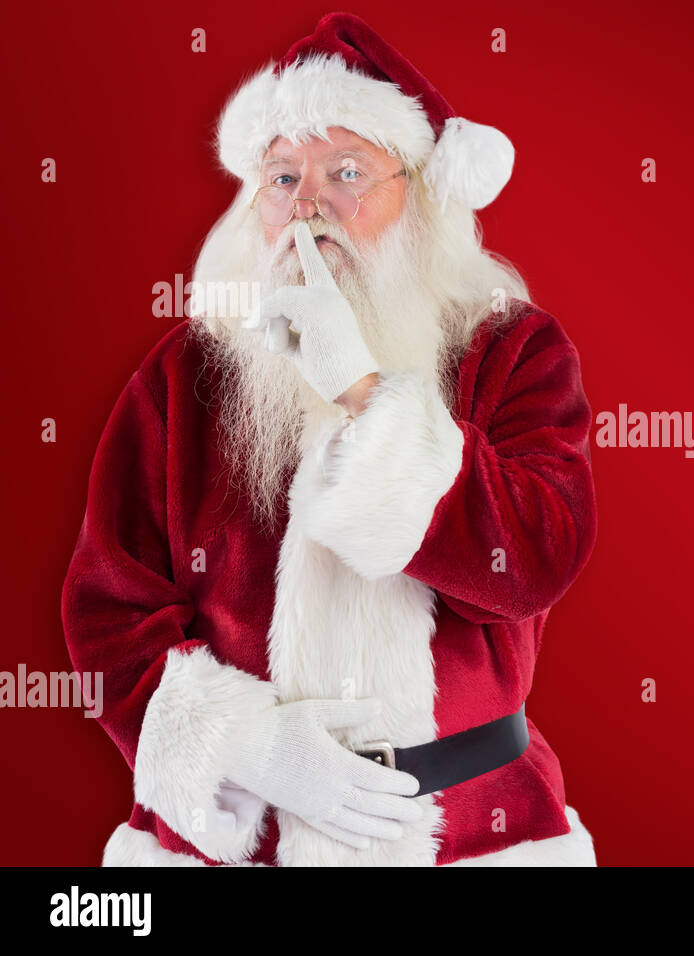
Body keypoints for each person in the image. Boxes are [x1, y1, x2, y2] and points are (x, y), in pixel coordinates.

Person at [60, 12, 599, 866]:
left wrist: (365, 393)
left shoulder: (513, 348)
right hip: (245, 845)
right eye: (282, 177)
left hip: (472, 835)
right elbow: (108, 608)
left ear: (418, 195)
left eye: (346, 172)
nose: (308, 205)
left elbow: (537, 559)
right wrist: (244, 748)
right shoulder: (184, 372)